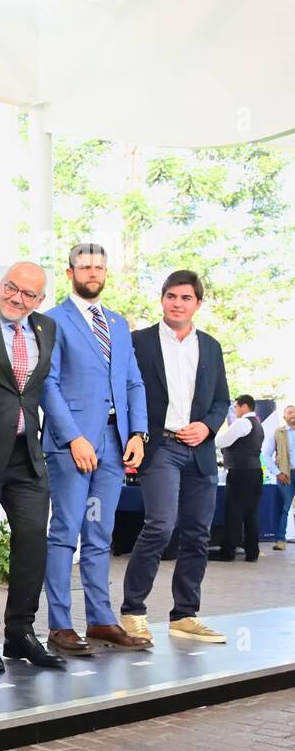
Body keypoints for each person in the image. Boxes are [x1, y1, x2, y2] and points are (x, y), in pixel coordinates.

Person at [40, 243, 150, 655]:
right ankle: (60, 624)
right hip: (73, 445)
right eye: (84, 266)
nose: (92, 272)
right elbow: (46, 385)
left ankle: (102, 620)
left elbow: (133, 383)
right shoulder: (52, 321)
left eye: (99, 266)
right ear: (69, 273)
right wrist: (73, 437)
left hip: (114, 444)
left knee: (100, 533)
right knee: (65, 533)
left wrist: (138, 433)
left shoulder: (119, 324)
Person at [0, 262, 66, 670]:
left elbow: (37, 390)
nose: (16, 298)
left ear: (39, 301)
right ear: (1, 285)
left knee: (32, 543)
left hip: (27, 454)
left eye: (28, 294)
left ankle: (20, 633)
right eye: (11, 288)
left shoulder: (46, 328)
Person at [120, 270, 229, 643]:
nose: (177, 303)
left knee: (198, 534)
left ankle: (185, 615)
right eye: (171, 296)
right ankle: (133, 610)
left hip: (200, 451)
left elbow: (221, 400)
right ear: (162, 299)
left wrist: (208, 427)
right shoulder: (139, 342)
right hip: (160, 448)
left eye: (185, 298)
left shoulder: (211, 347)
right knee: (161, 526)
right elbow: (125, 391)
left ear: (197, 303)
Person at [217, 394, 264, 563]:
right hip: (255, 471)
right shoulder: (258, 425)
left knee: (233, 510)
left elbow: (221, 441)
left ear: (244, 407)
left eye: (236, 406)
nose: (235, 410)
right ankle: (252, 552)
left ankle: (228, 551)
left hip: (241, 472)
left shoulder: (243, 422)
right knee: (250, 512)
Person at [261, 404, 295, 549]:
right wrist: (277, 473)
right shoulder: (278, 433)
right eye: (290, 412)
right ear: (284, 417)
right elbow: (266, 455)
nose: (293, 414)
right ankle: (281, 540)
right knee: (284, 507)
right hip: (286, 474)